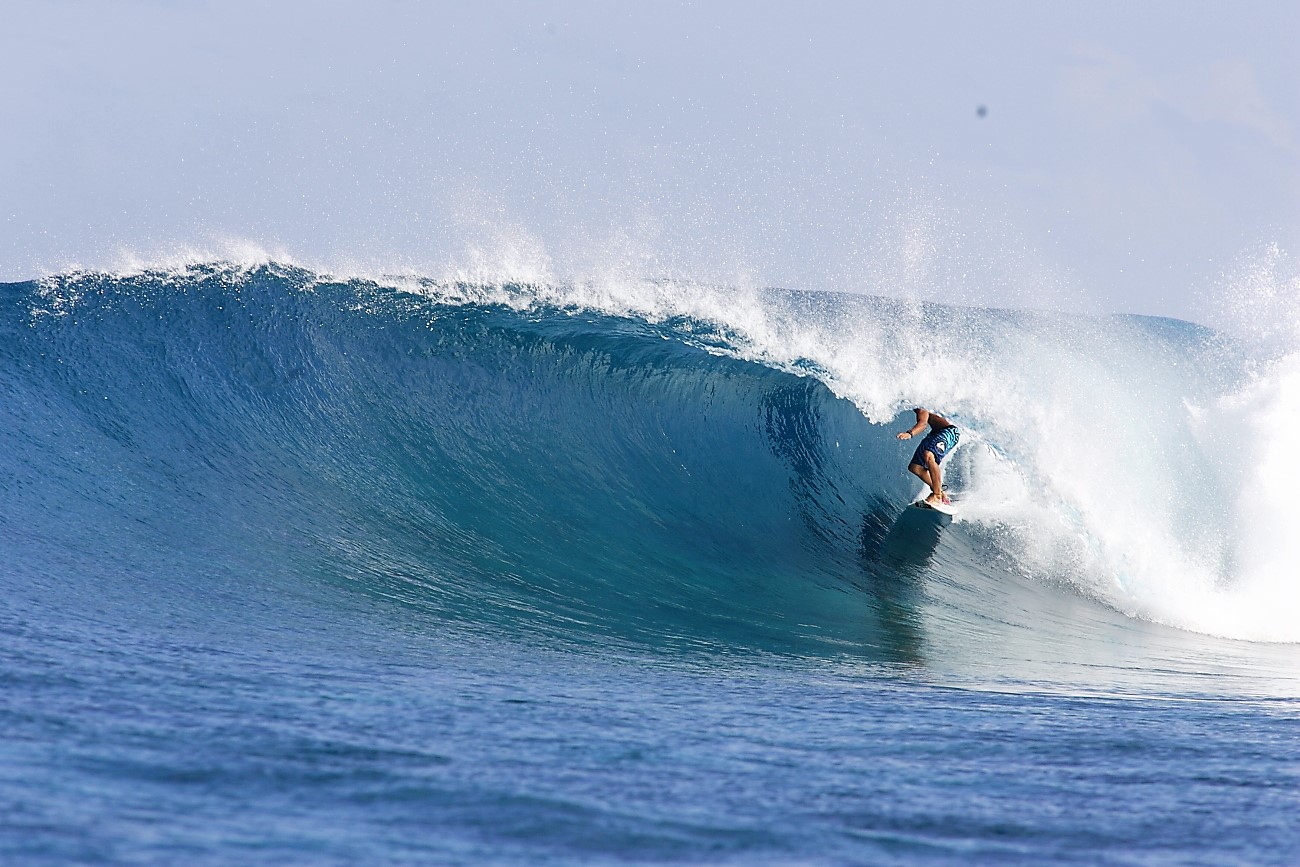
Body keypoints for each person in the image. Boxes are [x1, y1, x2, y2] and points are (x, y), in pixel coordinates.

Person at [896, 407, 960, 506]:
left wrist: (909, 433)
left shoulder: (920, 405)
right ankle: (939, 491)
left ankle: (937, 495)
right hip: (936, 433)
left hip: (949, 432)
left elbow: (923, 424)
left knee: (929, 455)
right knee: (915, 467)